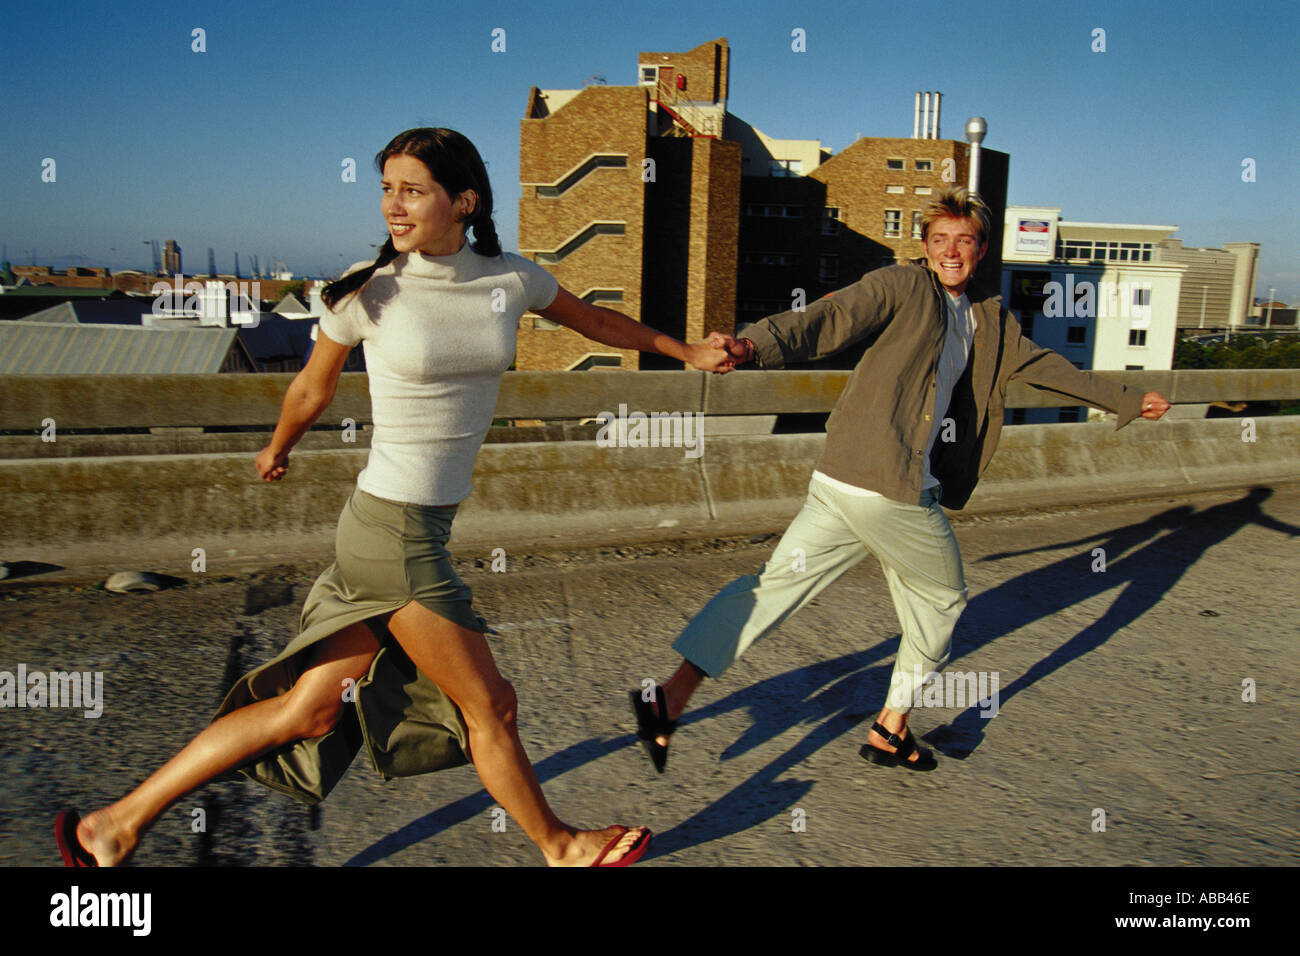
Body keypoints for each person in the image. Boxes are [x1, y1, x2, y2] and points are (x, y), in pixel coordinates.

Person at [55, 127, 734, 868]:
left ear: (463, 201)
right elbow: (313, 385)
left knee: (307, 710)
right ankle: (562, 846)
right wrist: (277, 447)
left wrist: (686, 351)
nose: (393, 206)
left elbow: (596, 320)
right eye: (386, 189)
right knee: (492, 705)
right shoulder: (369, 287)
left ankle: (114, 826)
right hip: (393, 534)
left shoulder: (510, 278)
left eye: (412, 189)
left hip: (405, 529)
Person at [630, 185, 1171, 773]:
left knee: (774, 586)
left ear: (982, 249)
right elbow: (828, 319)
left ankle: (669, 698)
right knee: (941, 599)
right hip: (890, 482)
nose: (951, 252)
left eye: (964, 241)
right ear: (924, 245)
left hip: (840, 481)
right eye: (940, 240)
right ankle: (892, 727)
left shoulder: (987, 314)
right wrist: (750, 344)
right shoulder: (903, 285)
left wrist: (1122, 397)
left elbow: (1040, 364)